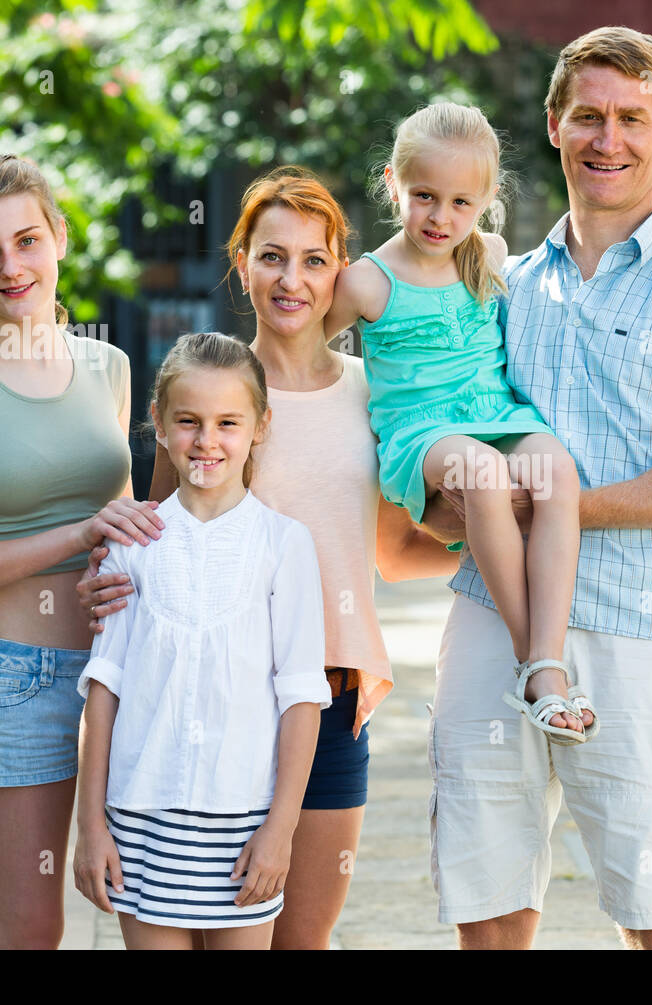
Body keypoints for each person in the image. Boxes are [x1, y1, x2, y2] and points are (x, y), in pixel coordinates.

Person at [417, 27, 652, 949]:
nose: (606, 138)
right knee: (486, 906)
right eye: (588, 116)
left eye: (630, 118)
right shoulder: (493, 284)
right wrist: (451, 505)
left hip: (640, 629)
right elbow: (428, 426)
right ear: (553, 125)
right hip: (492, 621)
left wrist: (557, 507)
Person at [77, 167, 457, 949]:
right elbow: (157, 534)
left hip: (327, 694)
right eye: (272, 256)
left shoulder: (373, 392)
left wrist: (489, 552)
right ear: (241, 261)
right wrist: (100, 574)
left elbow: (389, 547)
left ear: (338, 271)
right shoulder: (210, 396)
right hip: (200, 703)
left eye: (315, 260)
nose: (293, 279)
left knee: (300, 940)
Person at [0, 154, 163, 948]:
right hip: (17, 681)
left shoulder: (108, 367)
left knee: (155, 913)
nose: (10, 266)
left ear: (58, 238)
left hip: (128, 665)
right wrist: (79, 534)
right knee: (30, 932)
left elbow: (125, 519)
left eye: (25, 240)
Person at [325, 102, 591, 741]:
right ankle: (536, 665)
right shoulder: (367, 282)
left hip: (496, 414)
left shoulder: (489, 254)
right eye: (424, 197)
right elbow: (307, 354)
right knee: (484, 471)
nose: (441, 218)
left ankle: (545, 660)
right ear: (393, 184)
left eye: (460, 203)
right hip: (424, 435)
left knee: (556, 472)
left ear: (487, 200)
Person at [72, 332, 330, 949]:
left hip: (244, 825)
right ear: (158, 424)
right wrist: (92, 828)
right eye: (188, 421)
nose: (207, 441)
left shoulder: (284, 545)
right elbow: (103, 691)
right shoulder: (134, 544)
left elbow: (300, 698)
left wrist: (280, 829)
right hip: (139, 821)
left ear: (259, 427)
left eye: (227, 422)